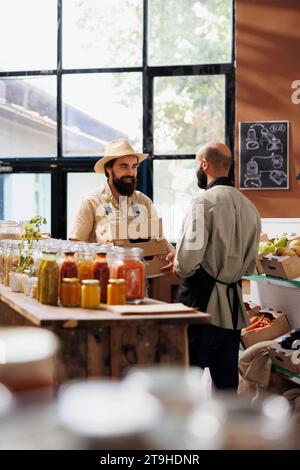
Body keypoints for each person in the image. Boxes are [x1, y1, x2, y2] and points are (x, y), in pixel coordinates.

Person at [173, 142, 261, 391]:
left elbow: (186, 264)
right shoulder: (250, 208)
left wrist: (179, 263)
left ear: (204, 164)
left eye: (196, 166)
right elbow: (250, 265)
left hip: (201, 308)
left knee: (186, 387)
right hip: (233, 313)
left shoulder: (202, 203)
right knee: (225, 391)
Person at [70, 139, 174, 267]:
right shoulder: (91, 202)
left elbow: (159, 239)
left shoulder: (143, 201)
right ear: (108, 168)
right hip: (103, 282)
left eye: (134, 166)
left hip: (139, 282)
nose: (131, 173)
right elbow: (74, 247)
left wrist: (171, 254)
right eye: (124, 166)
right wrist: (102, 251)